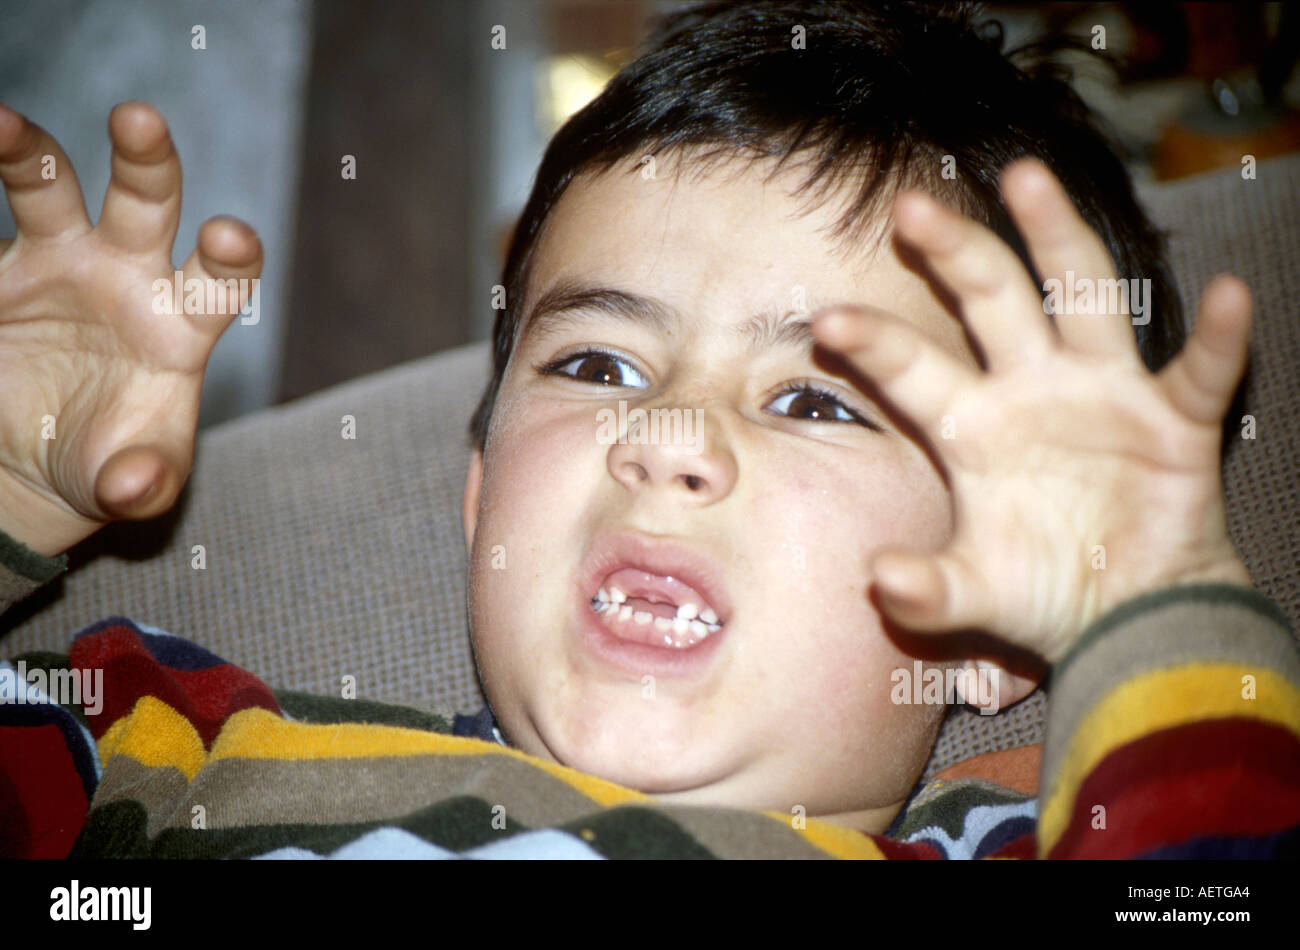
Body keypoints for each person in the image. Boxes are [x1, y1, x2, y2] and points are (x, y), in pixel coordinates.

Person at [2, 1, 1296, 856]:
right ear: (482, 494)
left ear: (994, 617)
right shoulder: (188, 742)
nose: (669, 437)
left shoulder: (1037, 833)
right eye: (601, 362)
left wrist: (1148, 597)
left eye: (814, 397)